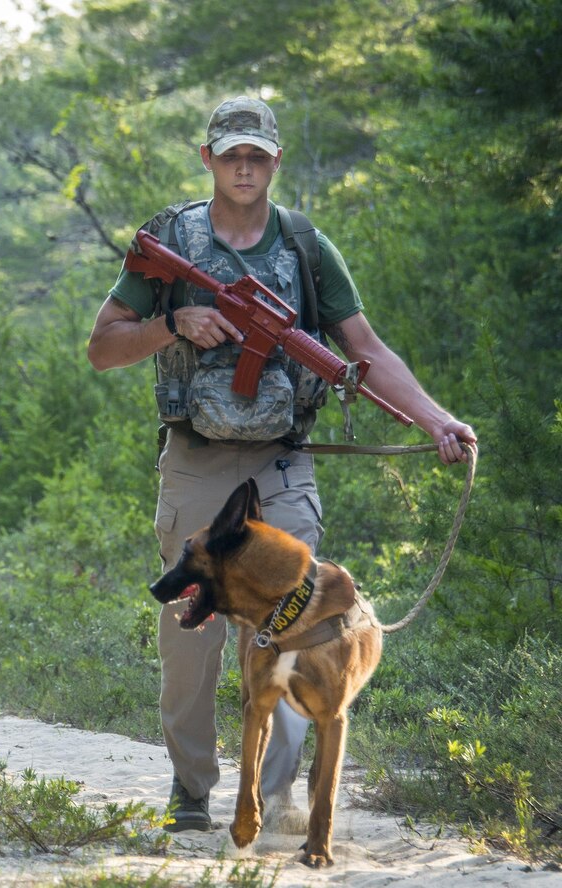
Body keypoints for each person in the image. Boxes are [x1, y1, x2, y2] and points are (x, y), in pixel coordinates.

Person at [87, 97, 477, 833]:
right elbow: (102, 349)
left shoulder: (304, 245)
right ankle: (194, 791)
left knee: (297, 625)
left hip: (283, 464)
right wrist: (174, 322)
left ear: (274, 162)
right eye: (230, 154)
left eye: (257, 156)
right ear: (207, 158)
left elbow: (365, 348)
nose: (243, 167)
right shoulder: (169, 240)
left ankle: (269, 796)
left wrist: (435, 418)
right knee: (190, 636)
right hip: (198, 463)